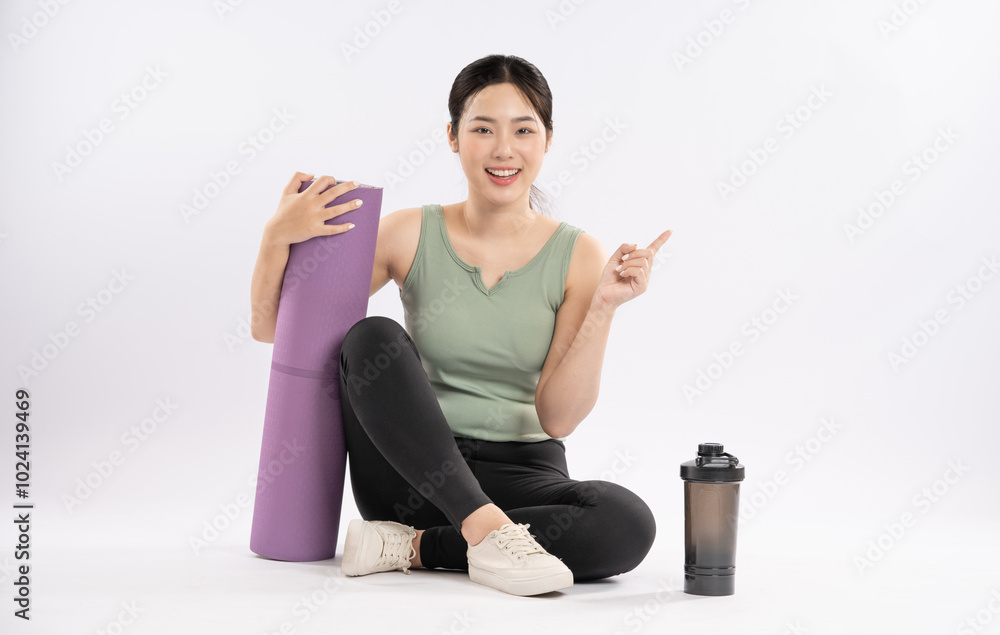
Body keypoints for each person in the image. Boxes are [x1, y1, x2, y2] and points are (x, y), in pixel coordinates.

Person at [250, 54, 672, 596]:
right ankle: (488, 535)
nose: (504, 149)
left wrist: (604, 308)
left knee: (626, 523)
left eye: (524, 130)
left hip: (520, 473)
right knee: (370, 337)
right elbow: (276, 333)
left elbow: (558, 417)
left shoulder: (579, 255)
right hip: (413, 470)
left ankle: (414, 546)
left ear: (547, 140)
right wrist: (275, 237)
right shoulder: (409, 233)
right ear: (453, 137)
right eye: (482, 129)